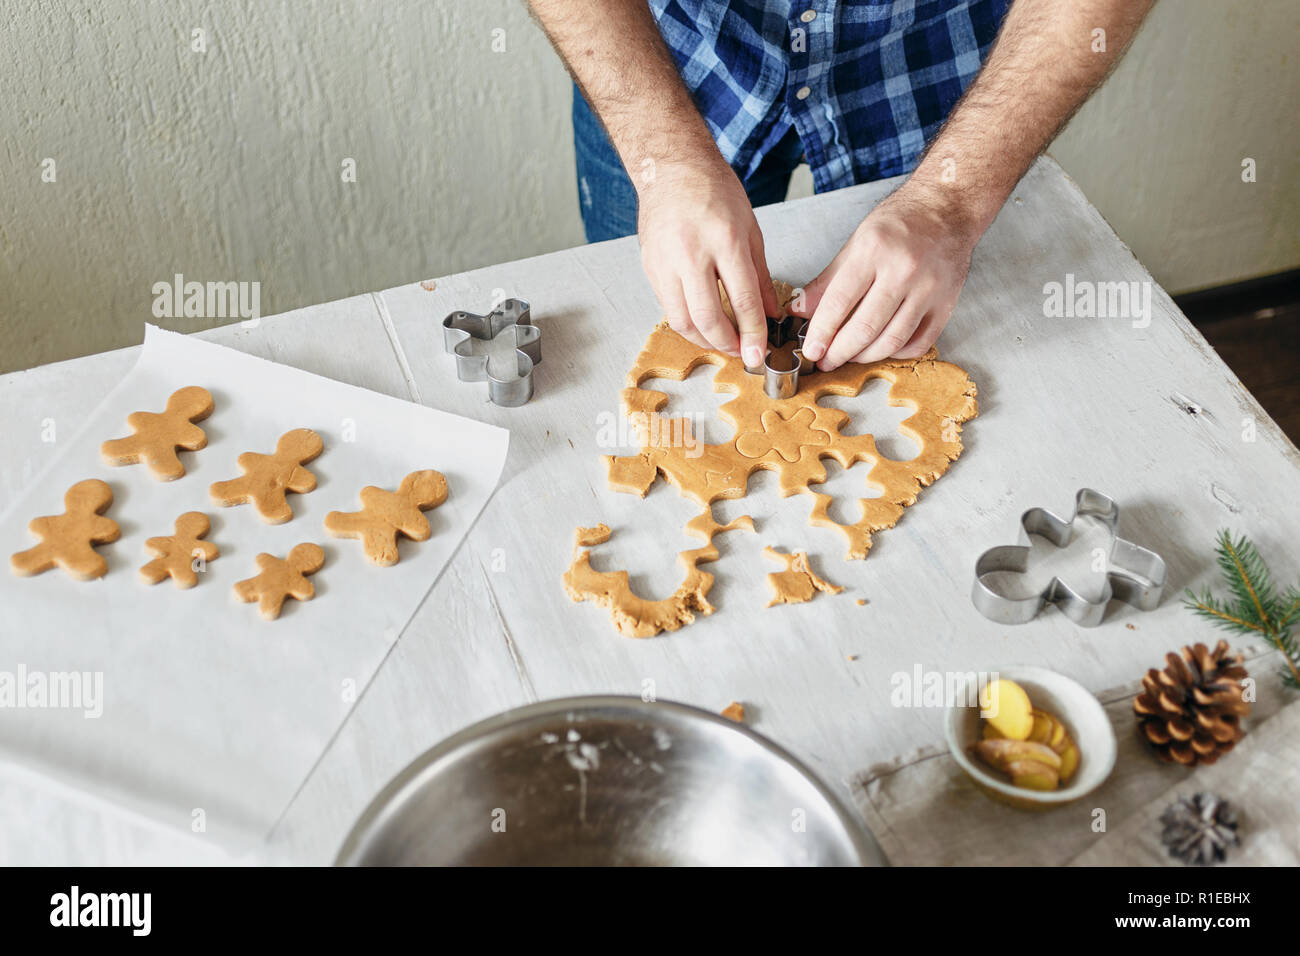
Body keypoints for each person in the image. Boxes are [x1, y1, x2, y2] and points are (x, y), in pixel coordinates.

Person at [528, 0, 1152, 370]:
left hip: (944, 79)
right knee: (658, 321)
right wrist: (663, 156)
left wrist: (950, 204)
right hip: (666, 62)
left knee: (933, 342)